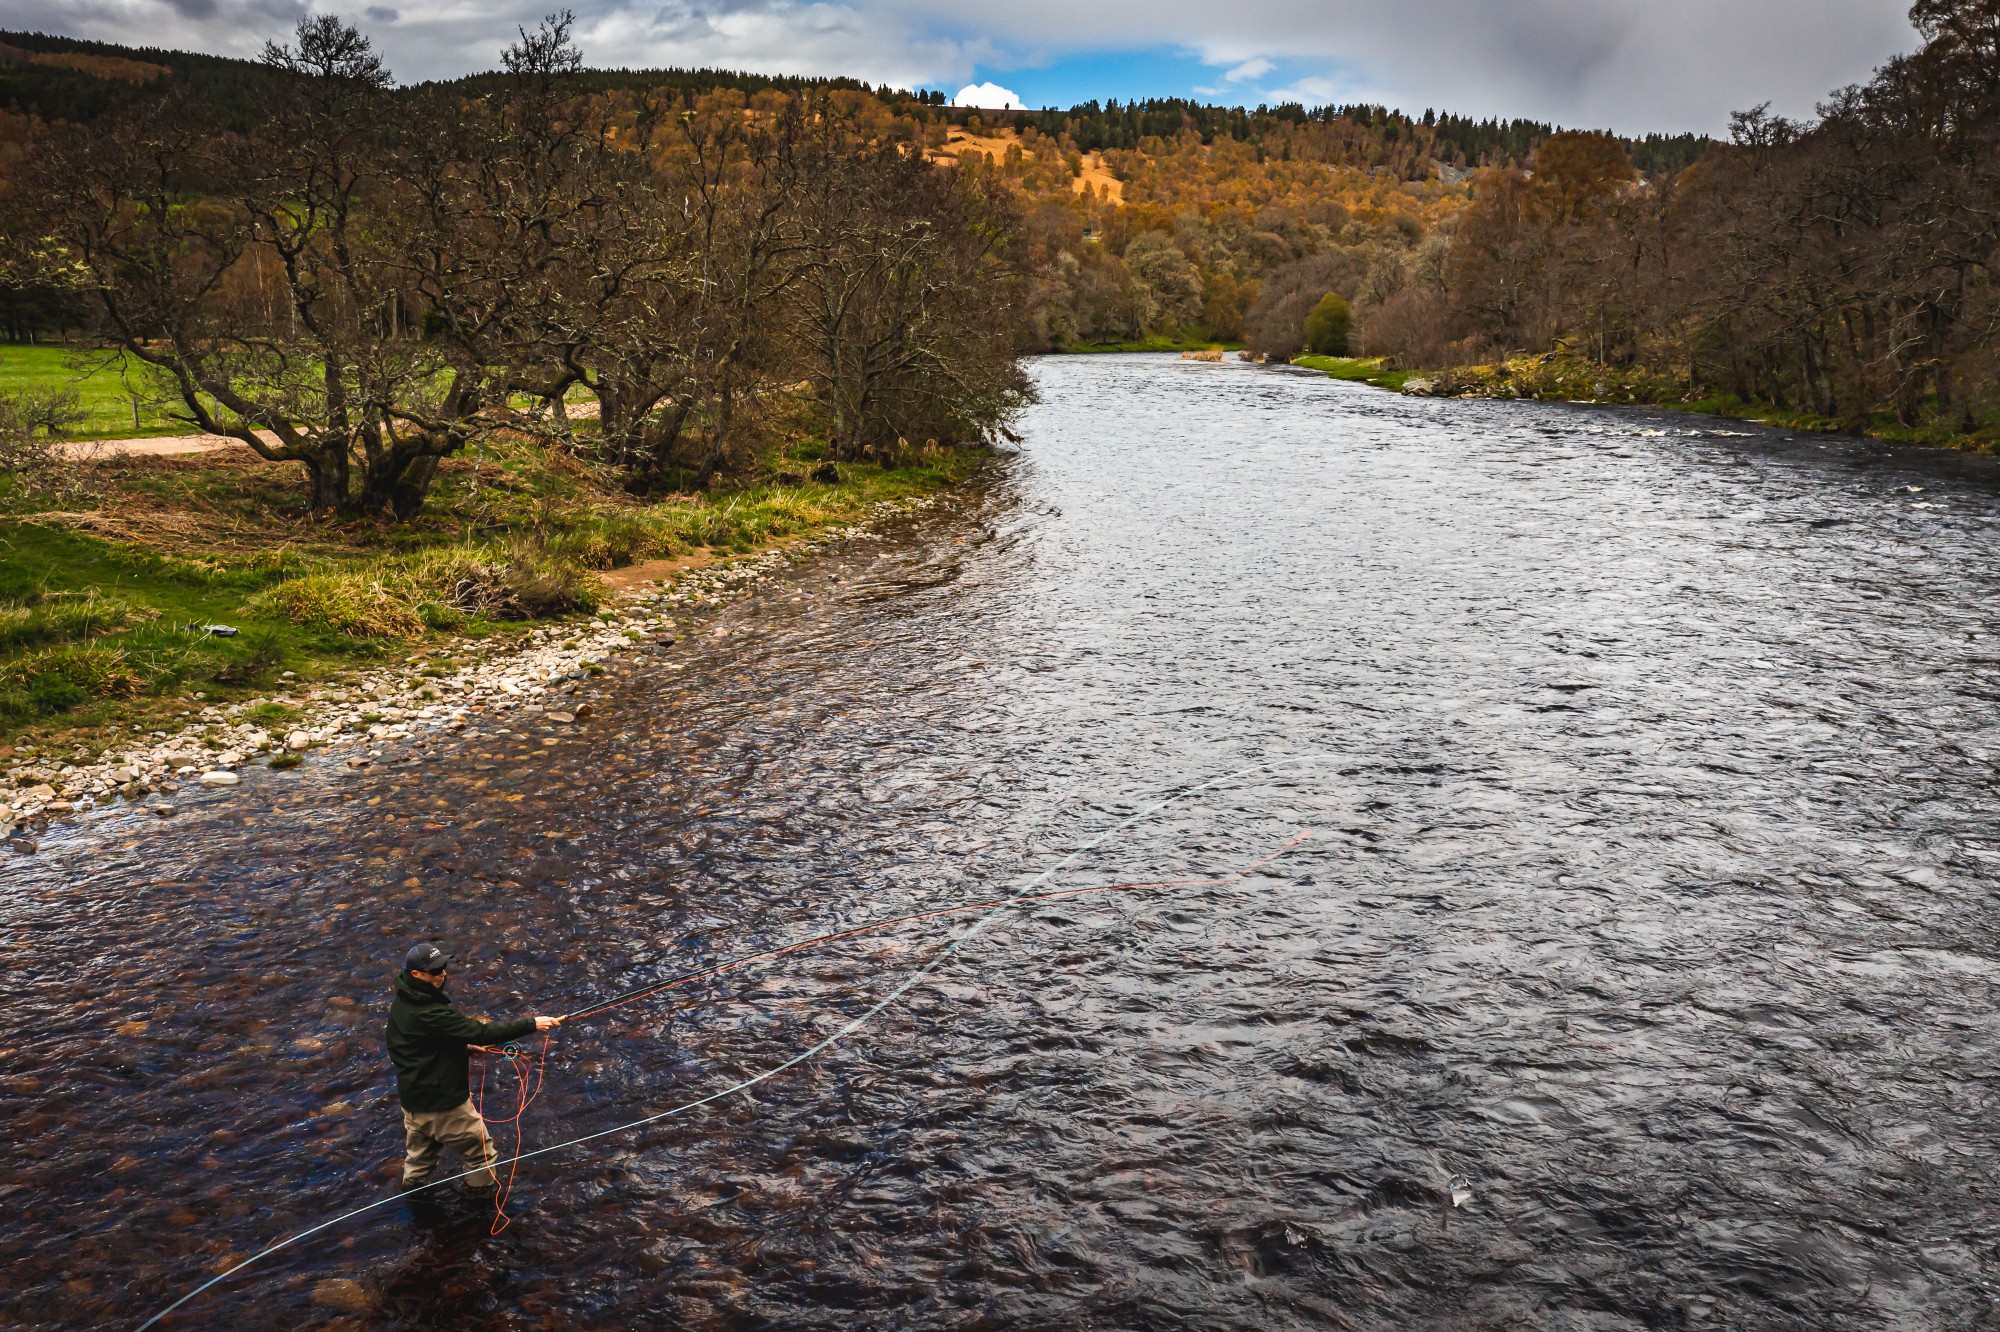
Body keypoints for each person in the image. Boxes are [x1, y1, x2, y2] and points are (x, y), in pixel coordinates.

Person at [385, 941, 560, 1193]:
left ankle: (415, 1206)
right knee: (481, 1155)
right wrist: (532, 1024)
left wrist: (462, 1047)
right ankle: (481, 1210)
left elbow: (417, 1043)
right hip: (443, 1105)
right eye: (435, 971)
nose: (442, 973)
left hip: (414, 1104)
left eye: (443, 967)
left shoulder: (403, 1003)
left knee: (420, 1161)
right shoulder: (430, 1012)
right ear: (416, 974)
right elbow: (482, 1032)